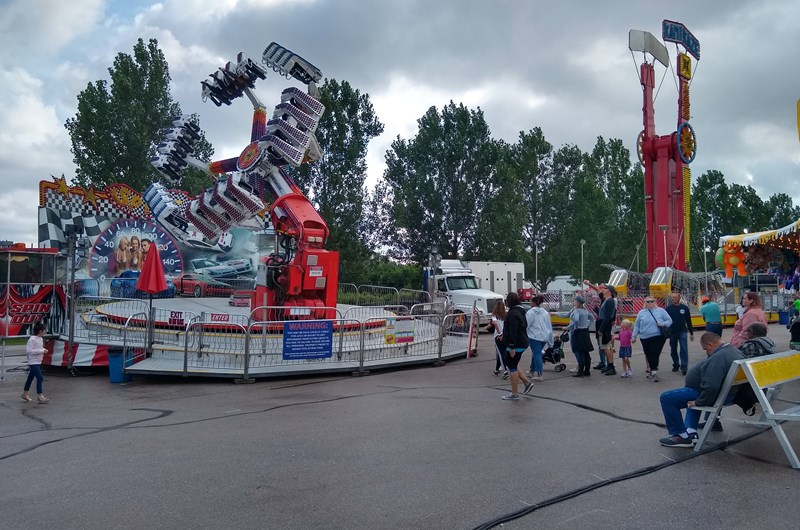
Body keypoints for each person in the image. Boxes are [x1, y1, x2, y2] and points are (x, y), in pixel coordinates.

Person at [658, 332, 744, 447]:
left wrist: (699, 402)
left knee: (667, 398)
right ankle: (691, 431)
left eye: (706, 349)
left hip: (715, 394)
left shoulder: (718, 357)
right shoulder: (733, 351)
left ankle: (680, 436)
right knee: (691, 396)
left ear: (710, 344)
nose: (707, 352)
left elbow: (711, 387)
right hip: (727, 392)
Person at [496, 292, 535, 401]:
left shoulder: (512, 314)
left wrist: (512, 346)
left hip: (515, 344)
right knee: (512, 363)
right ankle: (526, 383)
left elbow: (513, 330)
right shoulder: (521, 311)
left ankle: (515, 393)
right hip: (522, 342)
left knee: (511, 366)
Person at [631, 297, 672, 382]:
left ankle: (654, 371)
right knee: (648, 354)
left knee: (654, 353)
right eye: (647, 301)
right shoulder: (641, 313)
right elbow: (637, 325)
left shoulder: (661, 311)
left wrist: (662, 323)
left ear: (655, 302)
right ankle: (652, 370)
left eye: (651, 301)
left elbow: (669, 321)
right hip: (644, 337)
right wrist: (634, 336)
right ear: (645, 302)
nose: (650, 303)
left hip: (657, 336)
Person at [525, 294, 553, 381]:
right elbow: (549, 325)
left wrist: (524, 333)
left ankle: (540, 374)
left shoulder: (531, 312)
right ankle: (532, 371)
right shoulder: (545, 312)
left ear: (533, 303)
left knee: (537, 354)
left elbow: (527, 324)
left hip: (534, 336)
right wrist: (550, 339)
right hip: (544, 336)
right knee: (536, 353)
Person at [665, 292, 694, 375]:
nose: (674, 299)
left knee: (684, 349)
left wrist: (691, 333)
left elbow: (688, 321)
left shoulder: (684, 308)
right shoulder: (668, 308)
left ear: (679, 298)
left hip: (682, 331)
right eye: (673, 297)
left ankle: (684, 367)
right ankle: (676, 364)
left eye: (675, 297)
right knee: (673, 349)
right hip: (672, 332)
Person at [566, 295, 594, 377]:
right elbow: (592, 318)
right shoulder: (585, 311)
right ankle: (587, 371)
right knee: (586, 352)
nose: (574, 302)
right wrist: (587, 325)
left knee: (580, 352)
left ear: (578, 302)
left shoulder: (576, 311)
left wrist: (571, 327)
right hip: (585, 332)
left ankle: (580, 371)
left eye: (575, 301)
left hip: (578, 332)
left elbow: (576, 320)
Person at [21, 322, 49, 404]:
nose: (45, 332)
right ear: (40, 331)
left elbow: (39, 348)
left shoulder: (40, 339)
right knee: (40, 377)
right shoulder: (32, 339)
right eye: (44, 330)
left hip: (38, 361)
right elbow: (29, 350)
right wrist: (42, 351)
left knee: (30, 378)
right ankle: (40, 396)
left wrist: (43, 349)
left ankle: (25, 394)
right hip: (33, 362)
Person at [596, 284, 618, 375]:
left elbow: (608, 316)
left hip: (604, 325)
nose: (603, 290)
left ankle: (611, 366)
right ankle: (609, 366)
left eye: (605, 288)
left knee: (605, 347)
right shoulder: (606, 300)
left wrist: (601, 329)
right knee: (605, 346)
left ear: (609, 291)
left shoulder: (610, 301)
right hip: (602, 323)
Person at [488, 302, 508, 379]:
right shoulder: (506, 315)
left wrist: (500, 333)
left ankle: (505, 370)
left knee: (500, 353)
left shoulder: (494, 315)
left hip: (498, 336)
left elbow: (495, 323)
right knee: (503, 352)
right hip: (506, 336)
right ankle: (497, 369)